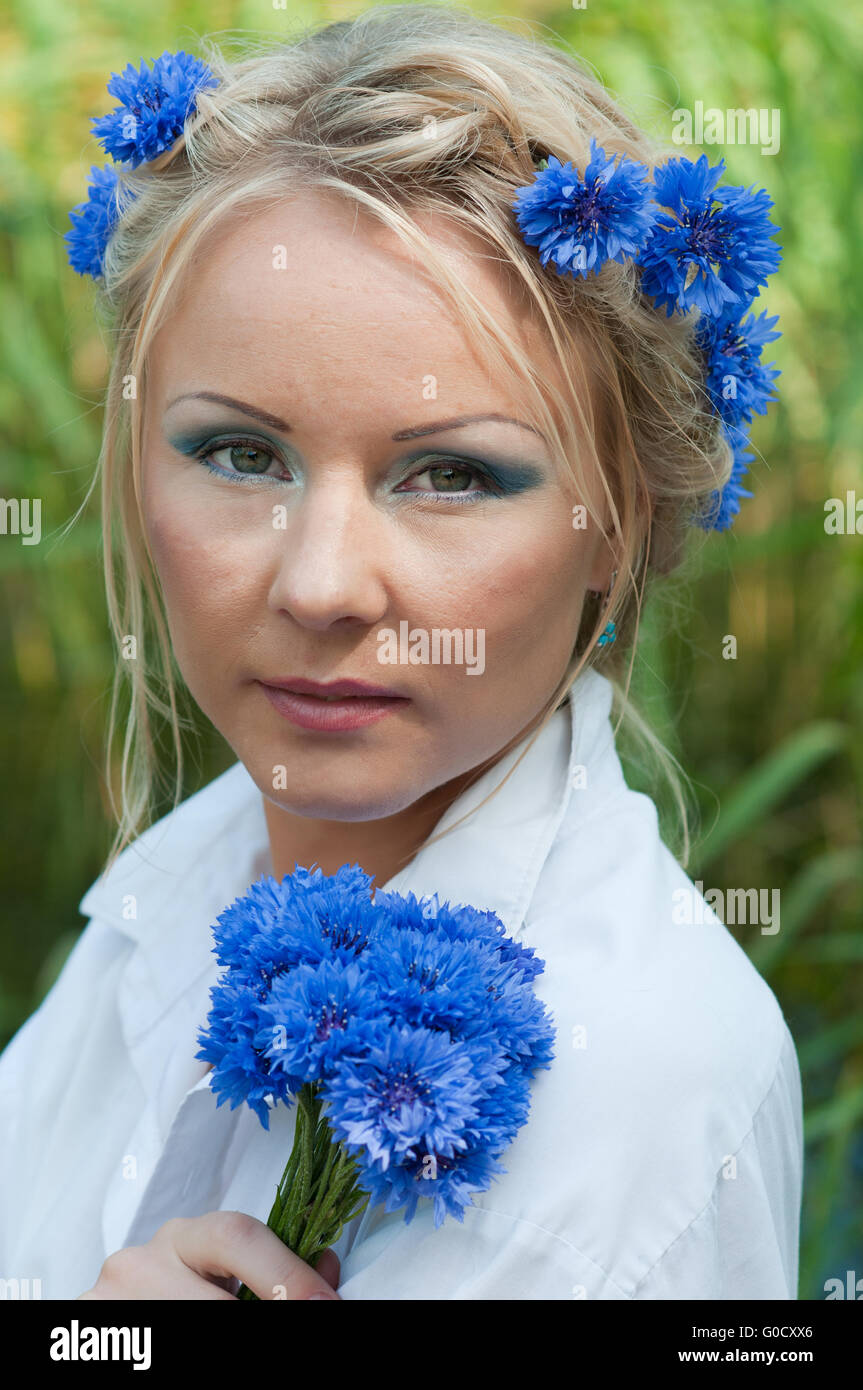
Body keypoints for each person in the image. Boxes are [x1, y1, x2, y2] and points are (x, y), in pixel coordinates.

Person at [0, 4, 801, 1300]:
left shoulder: (627, 1106)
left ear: (623, 521)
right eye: (241, 454)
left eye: (450, 474)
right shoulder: (171, 905)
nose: (320, 585)